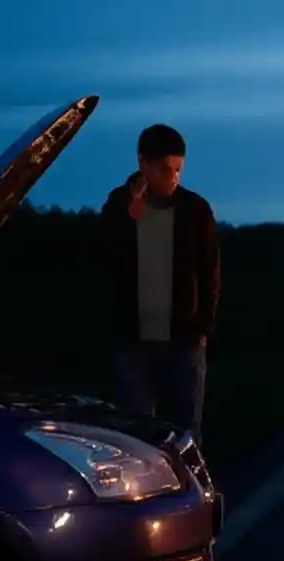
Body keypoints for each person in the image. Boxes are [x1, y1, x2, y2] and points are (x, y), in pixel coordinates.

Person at [95, 123, 221, 444]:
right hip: (133, 340)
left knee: (186, 433)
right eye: (167, 169)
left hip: (183, 339)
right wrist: (129, 211)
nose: (174, 177)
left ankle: (192, 493)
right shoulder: (118, 205)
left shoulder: (195, 209)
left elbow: (210, 273)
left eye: (178, 170)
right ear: (143, 163)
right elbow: (105, 257)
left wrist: (203, 327)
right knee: (134, 433)